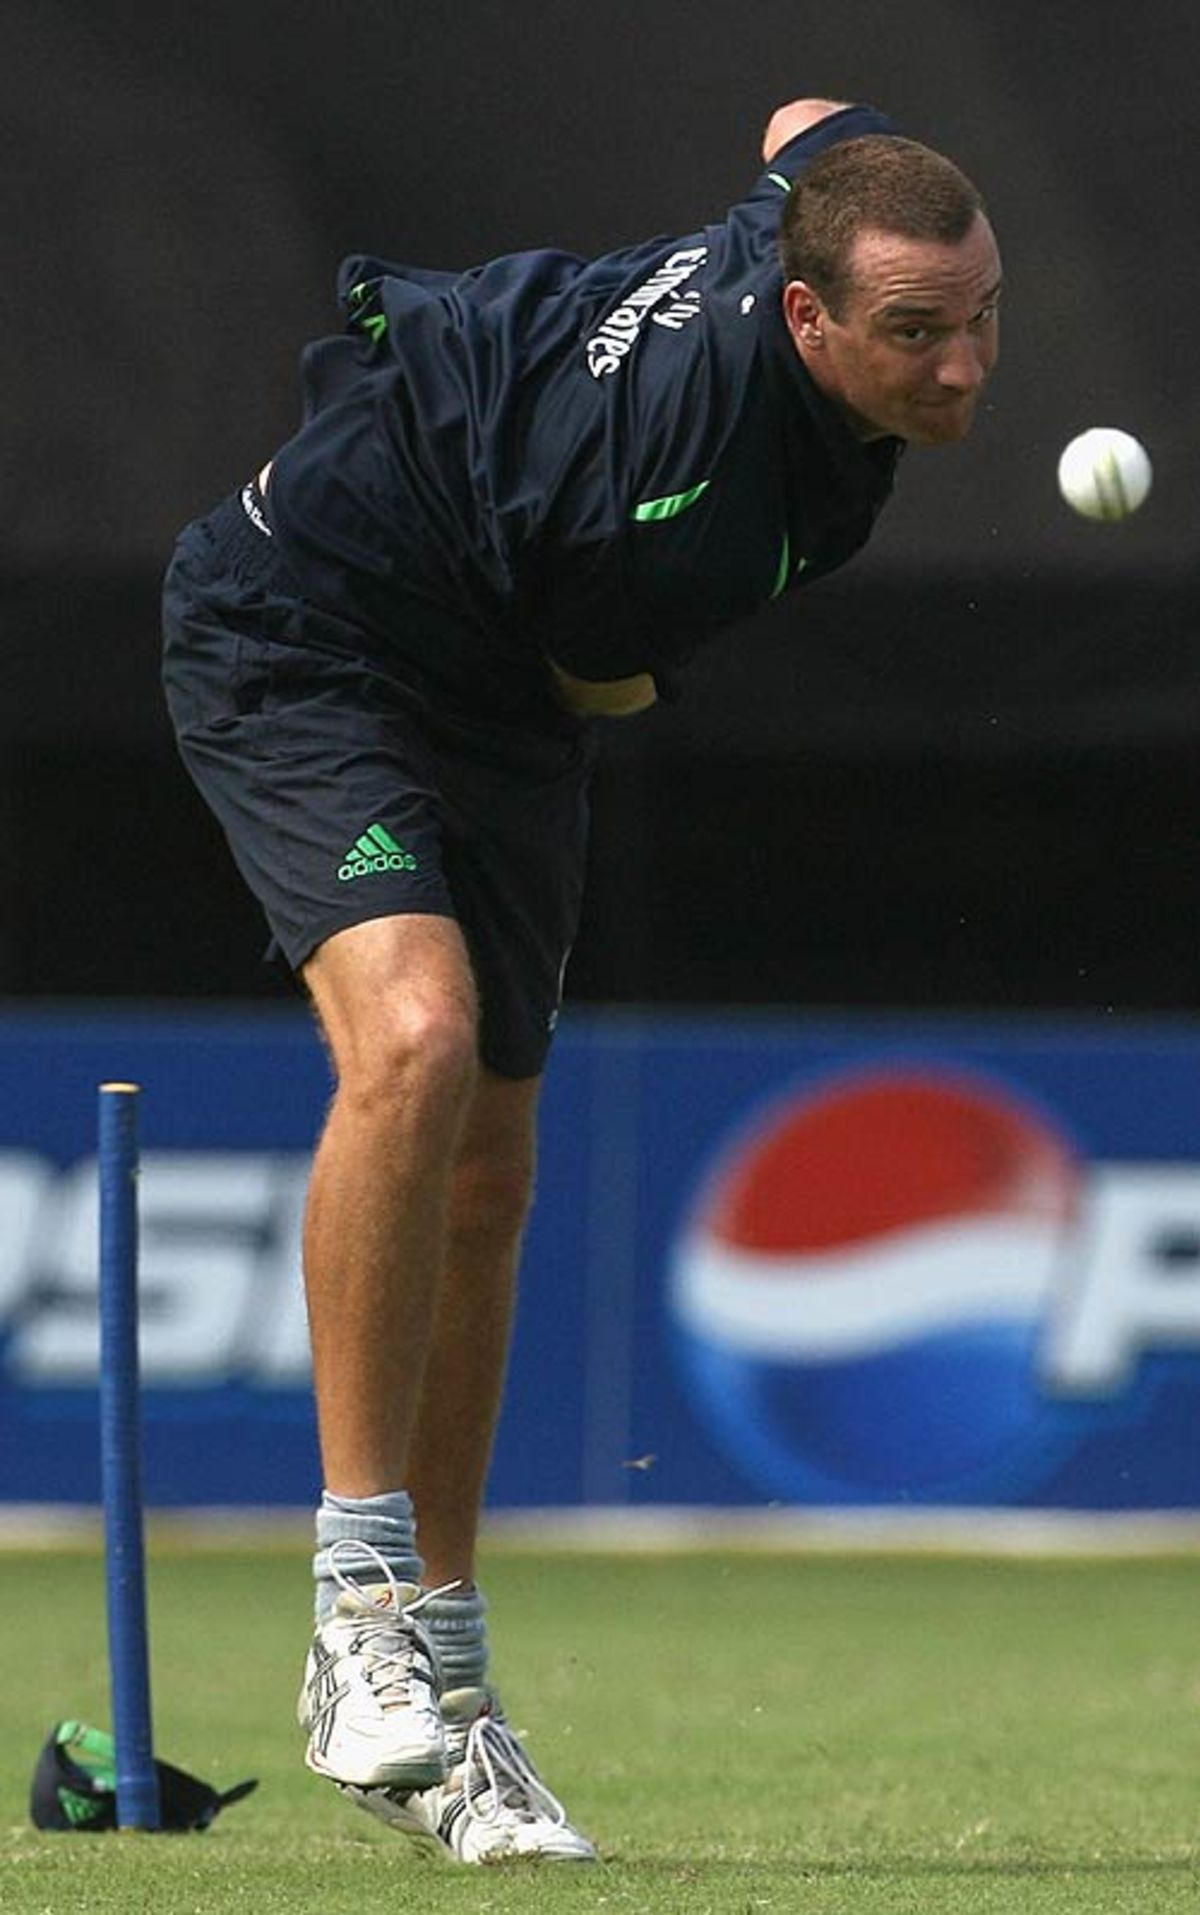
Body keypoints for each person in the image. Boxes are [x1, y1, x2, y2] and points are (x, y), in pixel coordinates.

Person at [161, 95, 1001, 1864]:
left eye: (983, 316)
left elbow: (807, 121)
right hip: (308, 635)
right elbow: (596, 673)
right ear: (807, 316)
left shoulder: (813, 212)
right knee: (417, 1040)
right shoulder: (682, 500)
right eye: (917, 333)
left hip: (493, 690)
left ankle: (453, 1692)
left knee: (489, 1174)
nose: (964, 367)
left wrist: (823, 171)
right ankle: (356, 1612)